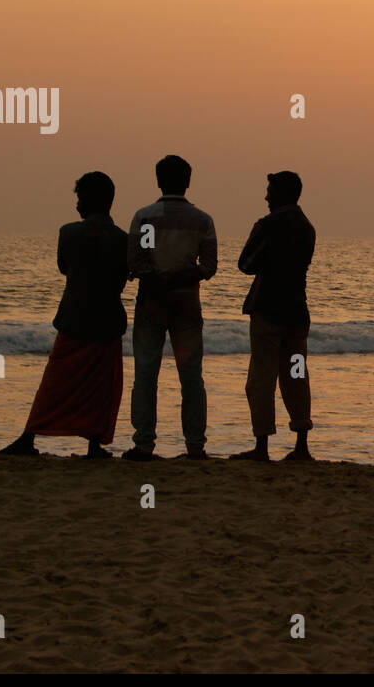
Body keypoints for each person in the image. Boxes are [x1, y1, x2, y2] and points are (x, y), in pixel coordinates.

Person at [0, 171, 128, 458]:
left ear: (90, 200)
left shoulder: (69, 233)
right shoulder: (123, 240)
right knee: (101, 390)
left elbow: (63, 267)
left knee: (54, 383)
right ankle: (94, 444)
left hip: (74, 319)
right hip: (107, 322)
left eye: (80, 198)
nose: (77, 205)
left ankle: (29, 436)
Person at [122, 155, 218, 461]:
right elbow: (209, 266)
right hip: (187, 302)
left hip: (151, 300)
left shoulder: (146, 217)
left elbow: (136, 261)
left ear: (158, 180)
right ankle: (194, 445)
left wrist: (159, 277)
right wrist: (181, 276)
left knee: (146, 372)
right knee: (191, 375)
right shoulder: (202, 220)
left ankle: (144, 443)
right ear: (188, 181)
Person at [233, 171, 316, 462]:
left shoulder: (267, 226)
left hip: (268, 309)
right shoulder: (308, 228)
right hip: (297, 311)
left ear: (280, 193)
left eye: (270, 191)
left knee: (261, 378)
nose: (266, 197)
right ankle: (301, 444)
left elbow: (246, 263)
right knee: (296, 376)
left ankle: (262, 446)